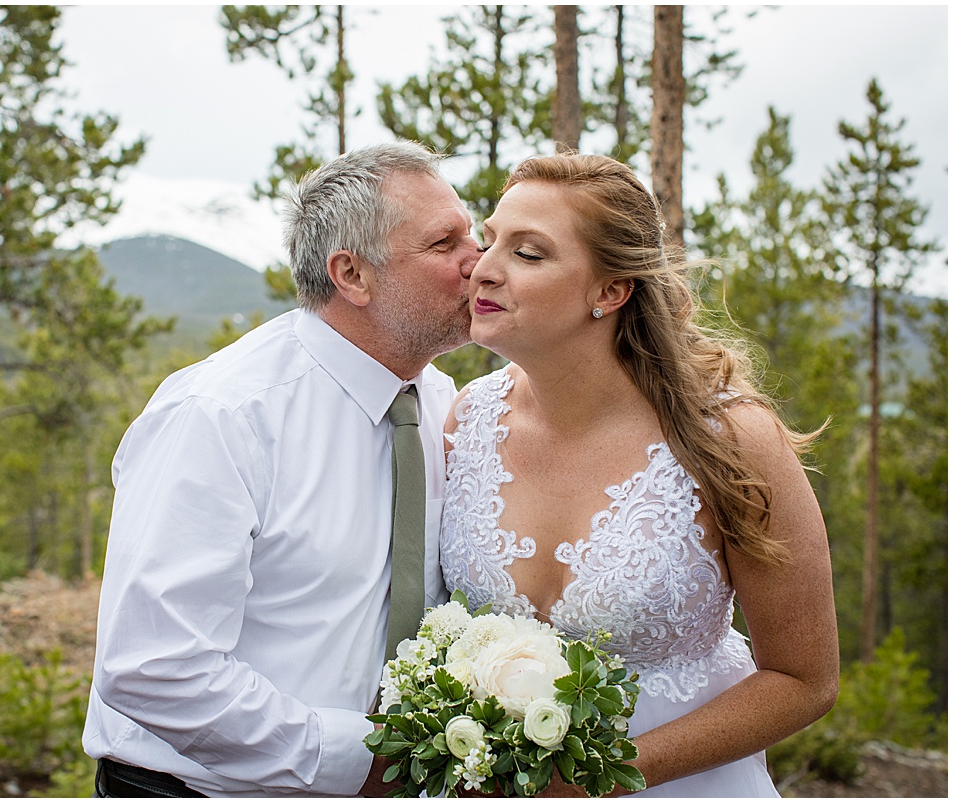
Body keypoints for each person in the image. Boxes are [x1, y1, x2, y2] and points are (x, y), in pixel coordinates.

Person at [82, 141, 481, 797]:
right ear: (353, 275)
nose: (480, 262)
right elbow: (153, 665)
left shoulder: (444, 409)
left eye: (475, 236)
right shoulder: (221, 416)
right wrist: (364, 760)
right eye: (446, 244)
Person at [439, 152, 840, 797]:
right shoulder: (468, 423)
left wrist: (602, 777)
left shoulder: (730, 441)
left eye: (528, 253)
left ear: (610, 291)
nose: (482, 270)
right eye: (488, 241)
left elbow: (803, 680)